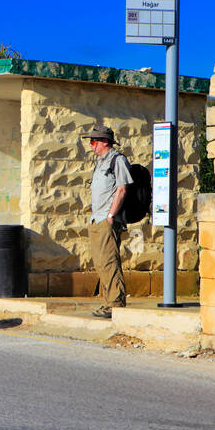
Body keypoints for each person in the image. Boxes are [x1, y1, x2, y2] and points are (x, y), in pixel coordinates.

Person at [83, 127, 131, 318]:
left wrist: (111, 214)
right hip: (97, 218)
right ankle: (107, 302)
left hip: (107, 219)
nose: (91, 146)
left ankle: (116, 303)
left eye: (94, 142)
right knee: (101, 263)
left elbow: (121, 189)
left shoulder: (117, 160)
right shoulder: (100, 162)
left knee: (109, 261)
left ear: (104, 142)